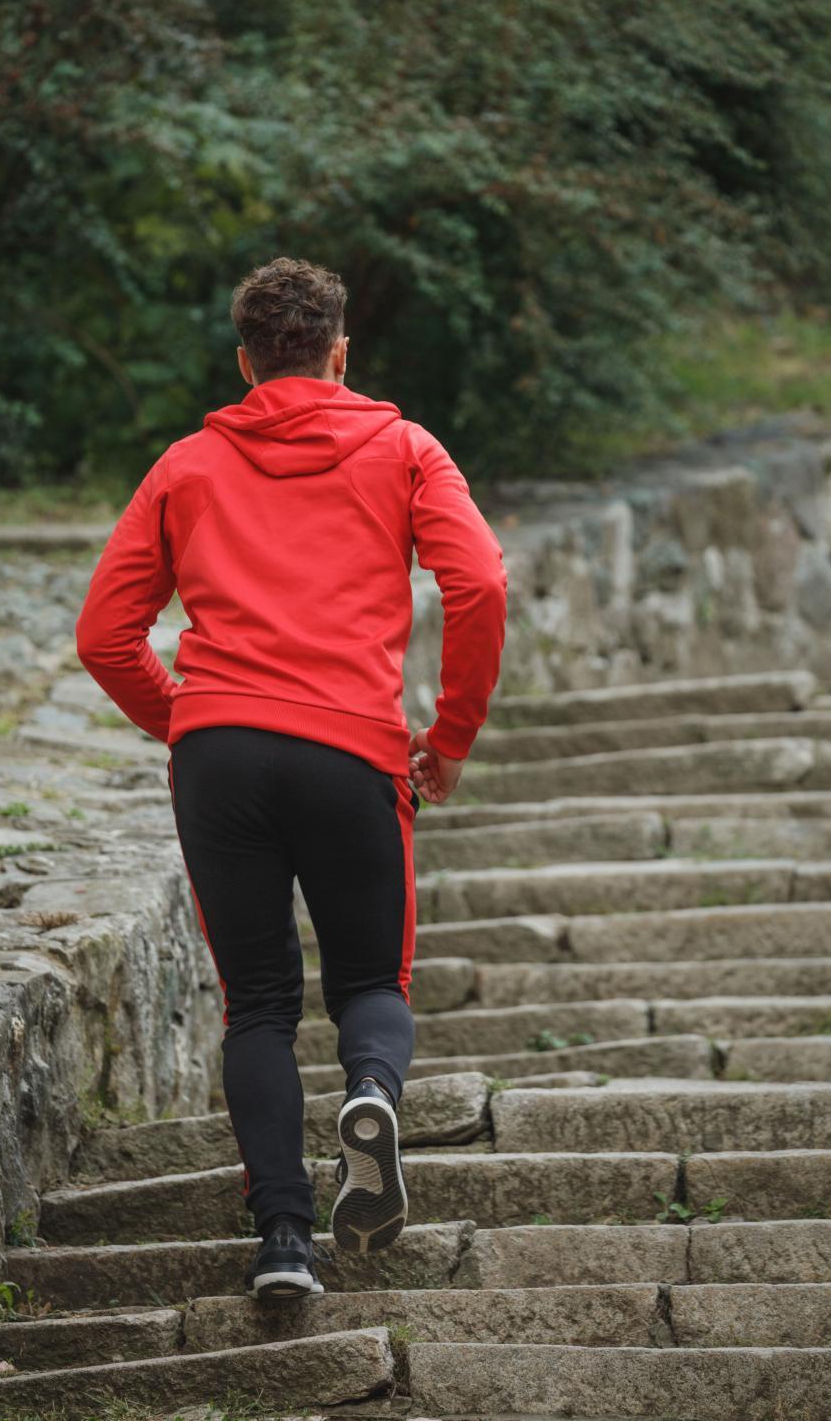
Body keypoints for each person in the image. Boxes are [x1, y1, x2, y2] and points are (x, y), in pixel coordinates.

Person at [74, 255, 508, 1300]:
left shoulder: (185, 465)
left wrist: (186, 718)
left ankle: (281, 1244)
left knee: (258, 1002)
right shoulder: (404, 449)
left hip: (221, 753)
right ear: (339, 353)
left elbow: (104, 634)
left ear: (245, 364)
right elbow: (481, 582)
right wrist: (447, 737)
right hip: (351, 748)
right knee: (368, 982)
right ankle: (370, 1093)